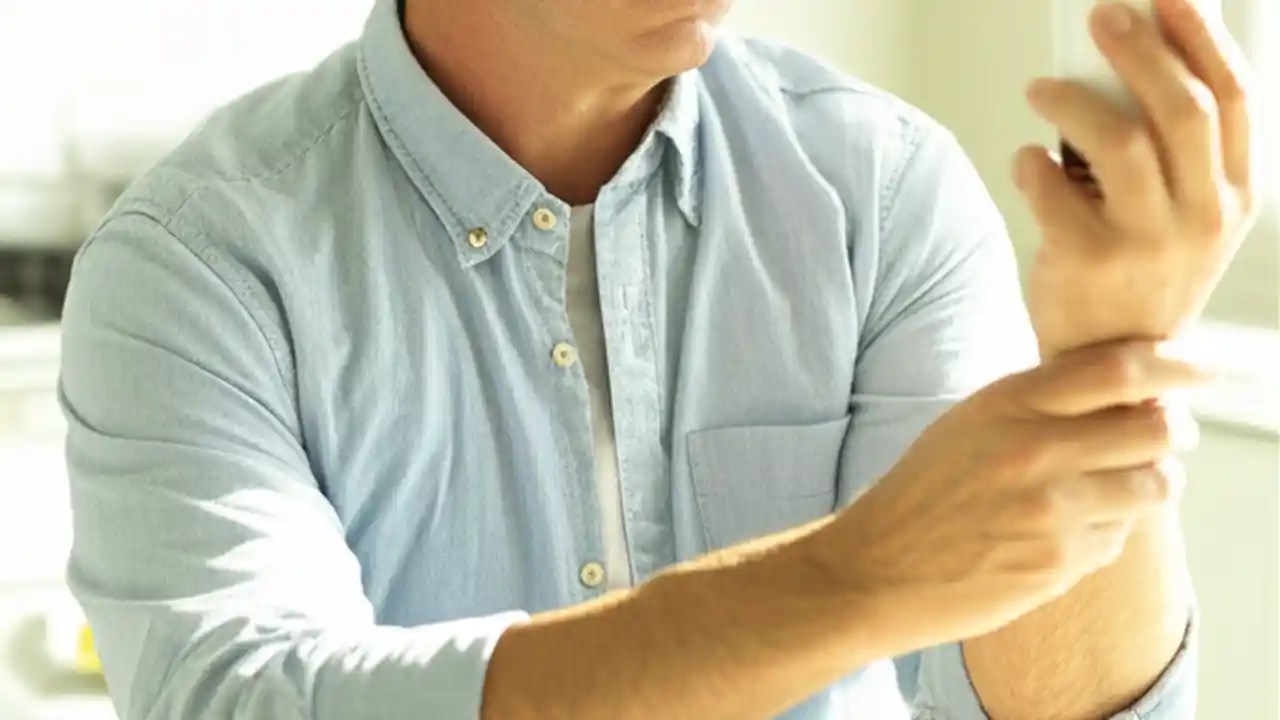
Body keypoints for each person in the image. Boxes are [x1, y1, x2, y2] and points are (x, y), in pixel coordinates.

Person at [59, 0, 1259, 716]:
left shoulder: (883, 192)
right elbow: (252, 702)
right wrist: (851, 579)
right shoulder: (196, 259)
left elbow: (1047, 706)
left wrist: (1112, 348)